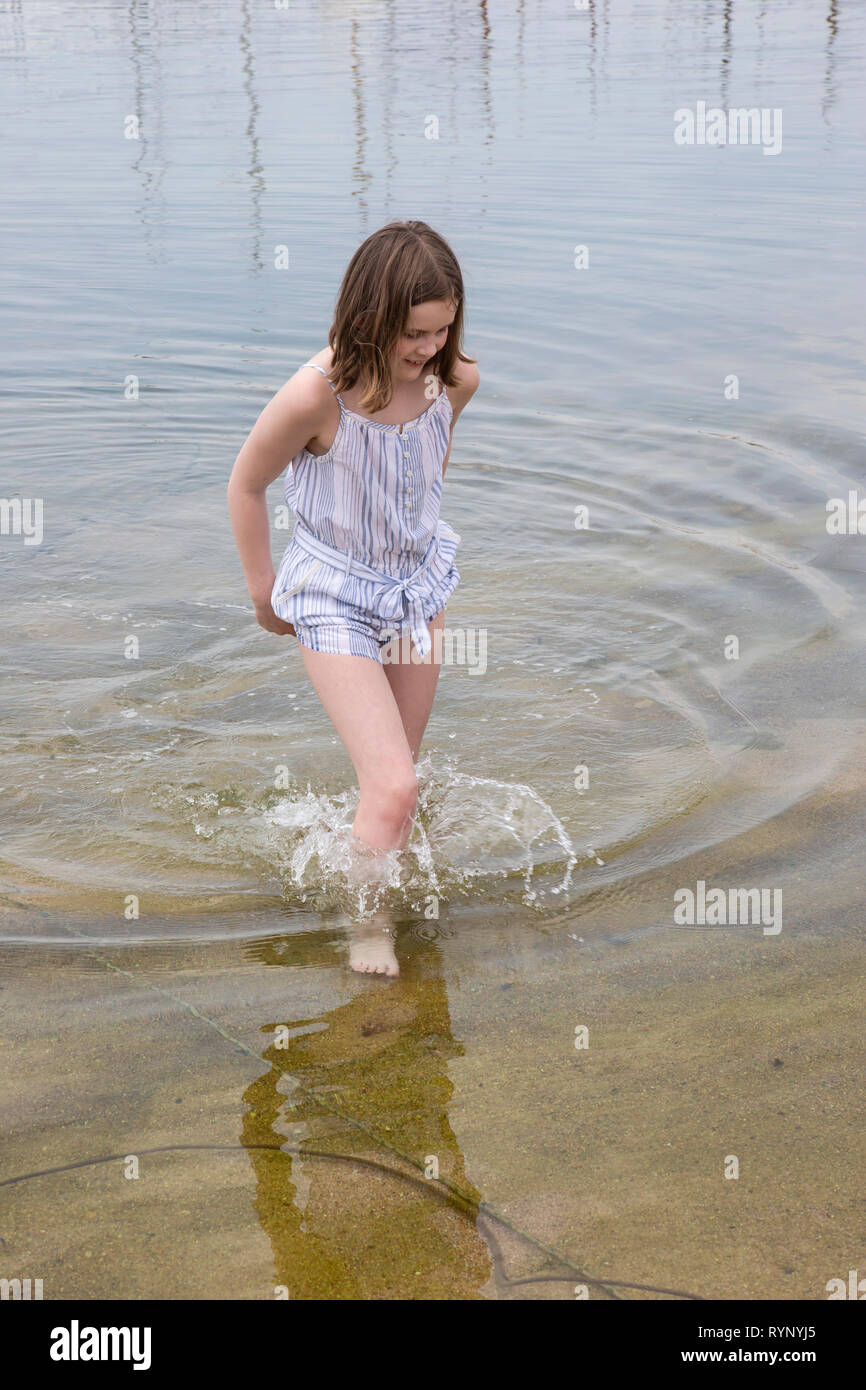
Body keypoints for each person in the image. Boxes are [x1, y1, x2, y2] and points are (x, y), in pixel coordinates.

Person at [228, 220, 479, 973]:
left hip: (415, 592)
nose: (426, 349)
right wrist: (262, 590)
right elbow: (245, 483)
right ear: (368, 317)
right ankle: (367, 927)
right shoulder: (317, 396)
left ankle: (369, 851)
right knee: (396, 784)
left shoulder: (454, 382)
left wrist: (411, 549)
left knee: (398, 777)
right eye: (412, 333)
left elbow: (423, 478)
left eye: (440, 330)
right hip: (334, 596)